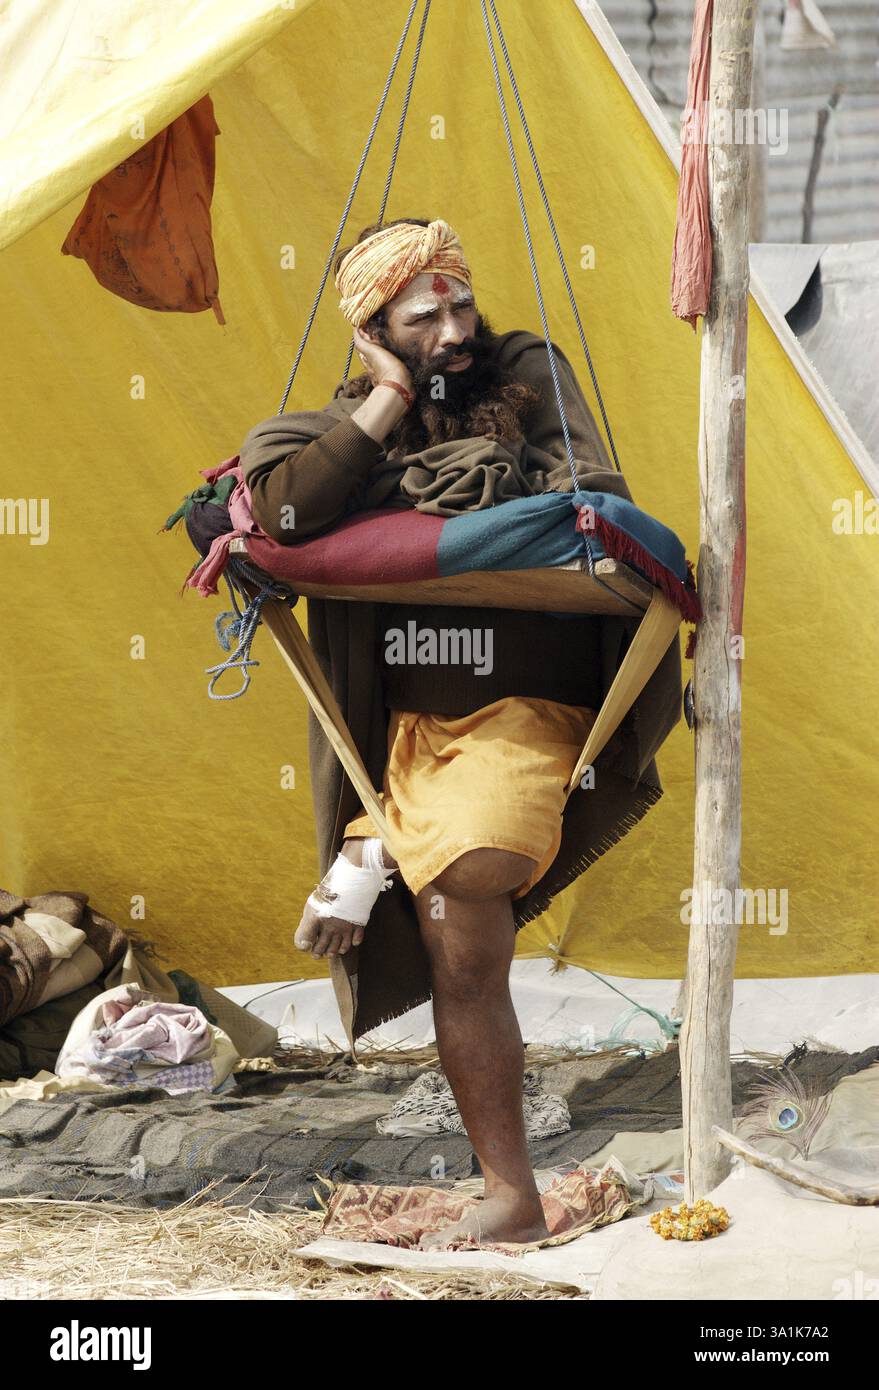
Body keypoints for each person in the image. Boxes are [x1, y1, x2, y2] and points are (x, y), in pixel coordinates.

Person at [239, 217, 682, 1248]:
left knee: (471, 882)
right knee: (456, 951)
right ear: (375, 332)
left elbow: (595, 503)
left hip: (529, 713)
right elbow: (284, 515)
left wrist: (425, 516)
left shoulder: (525, 374)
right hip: (408, 735)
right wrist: (389, 400)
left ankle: (379, 847)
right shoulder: (344, 425)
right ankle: (510, 1191)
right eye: (420, 315)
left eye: (459, 304)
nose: (451, 327)